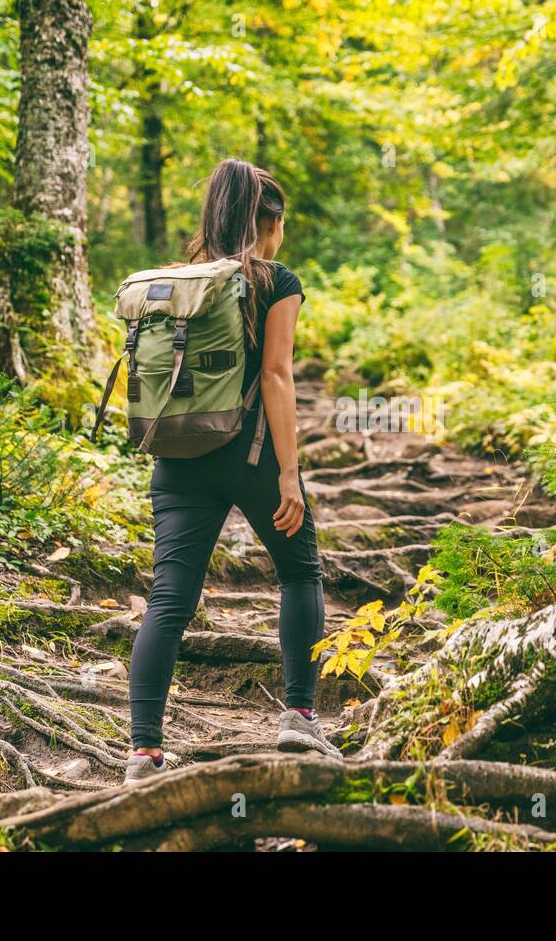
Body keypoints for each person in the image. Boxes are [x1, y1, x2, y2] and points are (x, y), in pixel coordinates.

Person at [124, 158, 341, 785]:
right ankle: (299, 715)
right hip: (251, 457)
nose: (283, 237)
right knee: (301, 572)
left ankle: (143, 751)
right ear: (266, 221)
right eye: (281, 224)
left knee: (169, 598)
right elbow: (276, 375)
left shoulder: (179, 282)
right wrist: (288, 473)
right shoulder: (276, 280)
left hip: (179, 456)